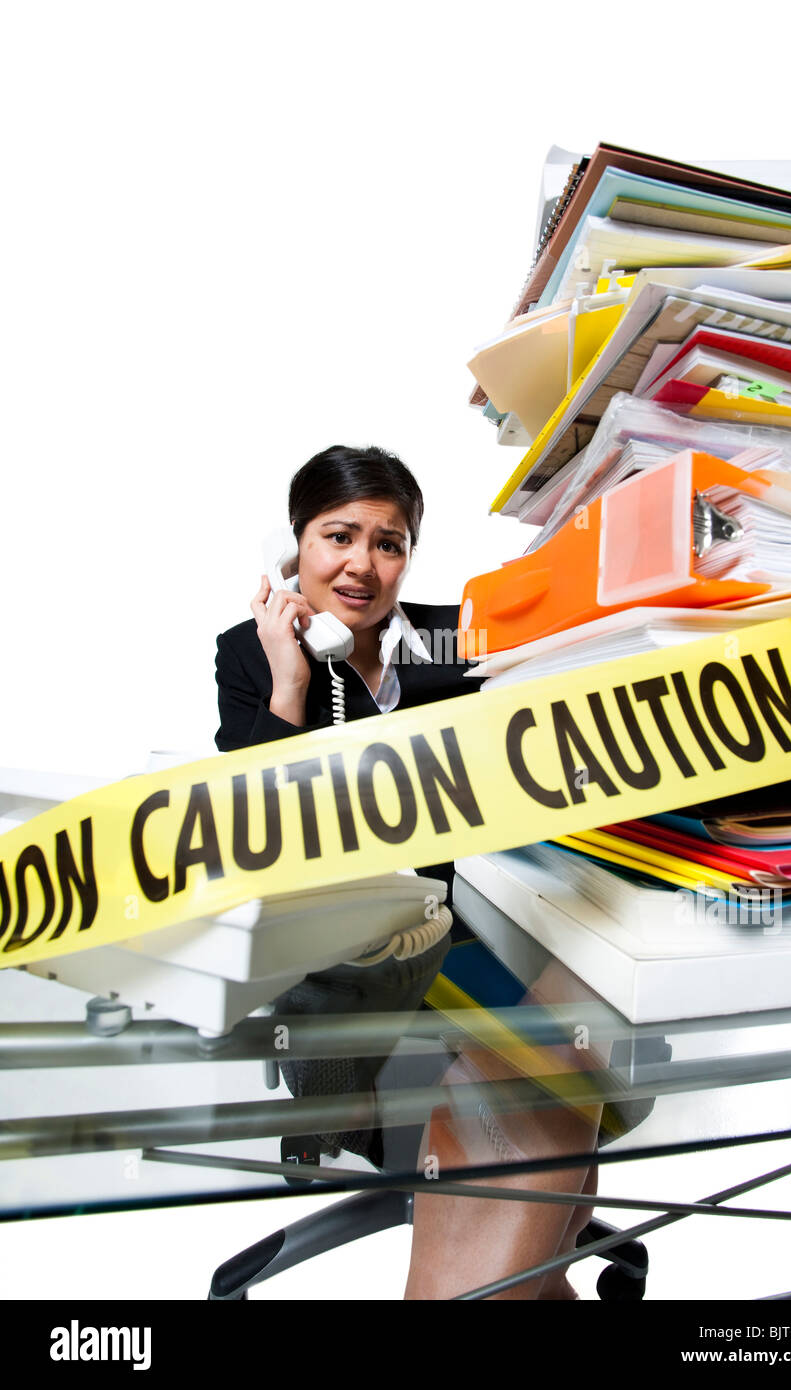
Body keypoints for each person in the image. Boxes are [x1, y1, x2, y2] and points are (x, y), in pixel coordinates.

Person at [213, 443, 602, 1299]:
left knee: (570, 1058)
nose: (361, 564)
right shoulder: (247, 653)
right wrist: (290, 681)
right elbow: (257, 829)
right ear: (296, 546)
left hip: (470, 924)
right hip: (344, 959)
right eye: (337, 536)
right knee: (547, 1103)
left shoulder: (450, 633)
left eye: (389, 543)